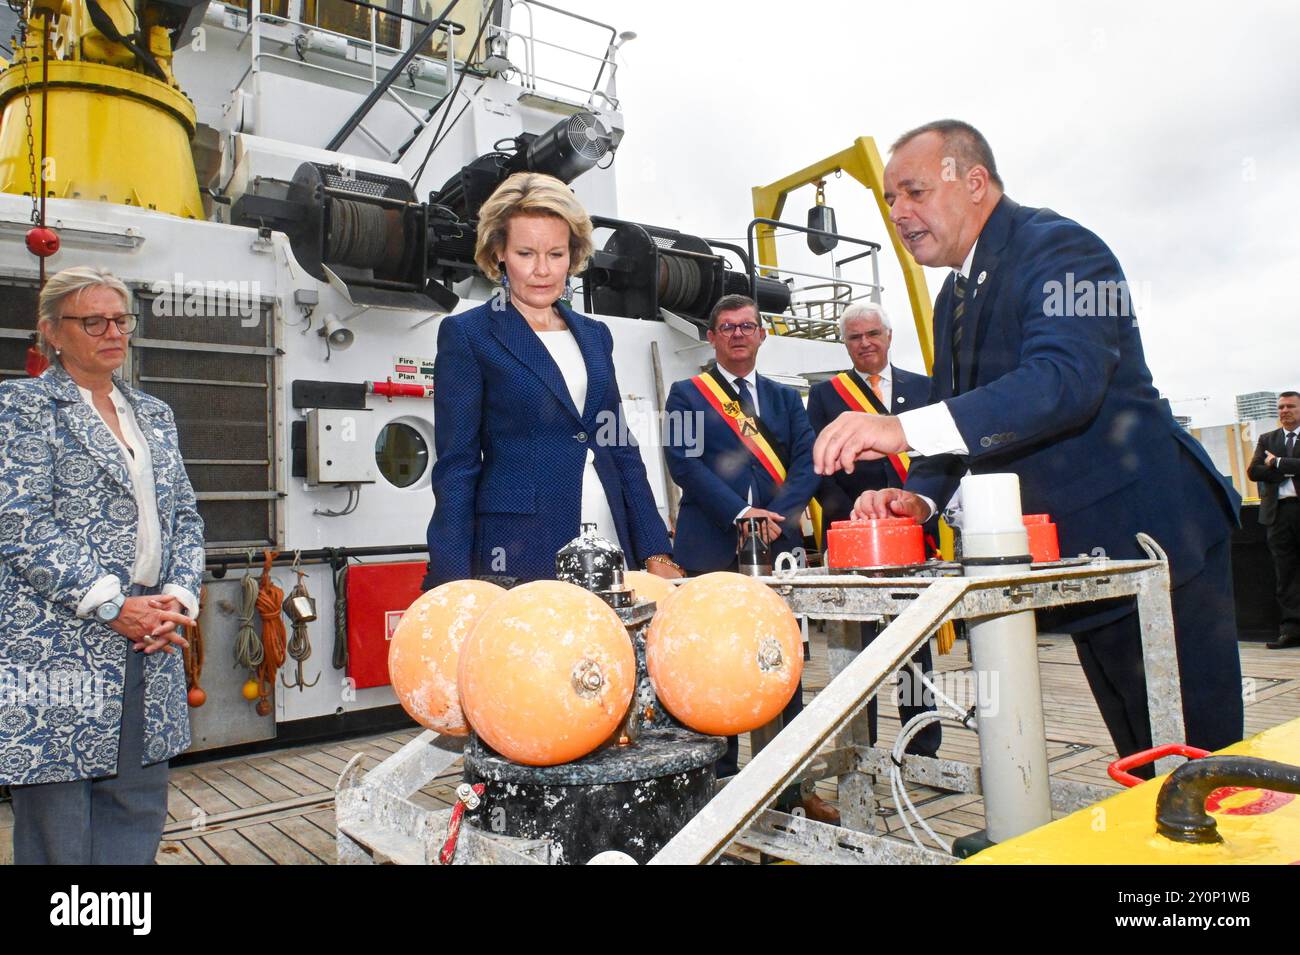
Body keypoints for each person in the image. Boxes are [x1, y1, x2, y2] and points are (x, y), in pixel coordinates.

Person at [813, 120, 1243, 760]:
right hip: (1087, 568)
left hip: (1154, 544)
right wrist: (920, 500)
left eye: (914, 191)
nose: (898, 214)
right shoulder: (952, 295)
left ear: (975, 182)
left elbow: (1064, 381)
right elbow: (961, 418)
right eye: (889, 200)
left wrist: (898, 428)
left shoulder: (1063, 249)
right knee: (1149, 763)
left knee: (1207, 771)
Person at [0, 266, 203, 864]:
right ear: (52, 333)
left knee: (137, 806)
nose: (112, 331)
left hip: (152, 636)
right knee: (58, 819)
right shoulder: (22, 407)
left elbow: (185, 518)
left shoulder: (155, 415)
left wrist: (176, 600)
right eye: (93, 320)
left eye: (120, 320)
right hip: (60, 640)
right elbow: (21, 523)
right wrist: (113, 606)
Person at [424, 172, 680, 588]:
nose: (542, 270)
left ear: (573, 254)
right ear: (499, 252)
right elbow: (457, 466)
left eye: (556, 254)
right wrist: (452, 582)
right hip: (519, 548)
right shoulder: (469, 335)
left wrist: (655, 547)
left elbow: (619, 446)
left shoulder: (596, 336)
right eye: (526, 253)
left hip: (611, 536)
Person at [664, 293, 836, 822]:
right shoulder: (685, 394)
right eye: (727, 327)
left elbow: (809, 464)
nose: (738, 334)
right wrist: (740, 513)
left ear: (762, 335)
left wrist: (775, 517)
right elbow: (683, 465)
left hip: (778, 548)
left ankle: (790, 784)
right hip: (712, 546)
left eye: (748, 326)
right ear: (711, 337)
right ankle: (713, 789)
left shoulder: (787, 399)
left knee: (780, 662)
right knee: (710, 664)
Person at [807, 301, 940, 757]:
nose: (865, 344)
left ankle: (923, 747)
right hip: (858, 534)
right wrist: (856, 521)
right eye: (855, 338)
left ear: (888, 336)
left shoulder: (925, 388)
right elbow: (822, 468)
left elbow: (939, 458)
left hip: (913, 534)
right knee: (857, 650)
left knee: (914, 649)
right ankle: (863, 748)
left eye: (872, 335)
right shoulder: (827, 396)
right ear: (845, 345)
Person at [1246, 391, 1300, 649]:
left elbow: (1267, 467)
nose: (1284, 411)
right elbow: (1254, 472)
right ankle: (1291, 630)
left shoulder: (1273, 449)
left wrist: (1277, 462)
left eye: (1290, 406)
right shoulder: (1267, 438)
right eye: (1280, 407)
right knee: (1286, 573)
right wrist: (1286, 469)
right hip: (1278, 514)